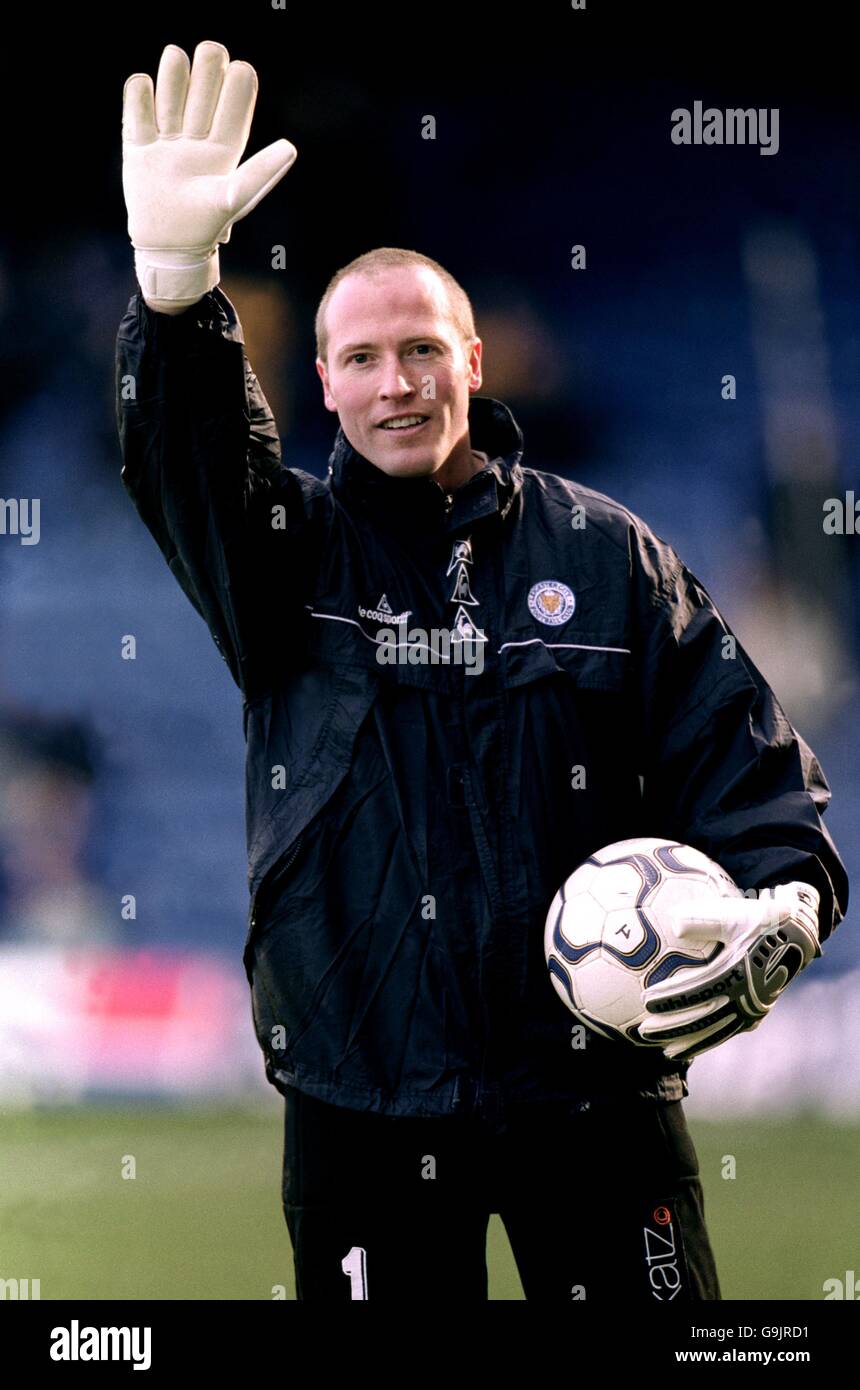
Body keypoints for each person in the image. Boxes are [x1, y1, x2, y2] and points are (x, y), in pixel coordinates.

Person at [116, 40, 849, 1302]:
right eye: (360, 359)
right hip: (362, 1097)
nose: (395, 383)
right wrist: (178, 297)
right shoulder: (281, 555)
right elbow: (191, 463)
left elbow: (746, 766)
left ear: (472, 361)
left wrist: (782, 900)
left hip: (597, 1095)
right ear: (323, 386)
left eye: (420, 349)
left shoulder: (607, 556)